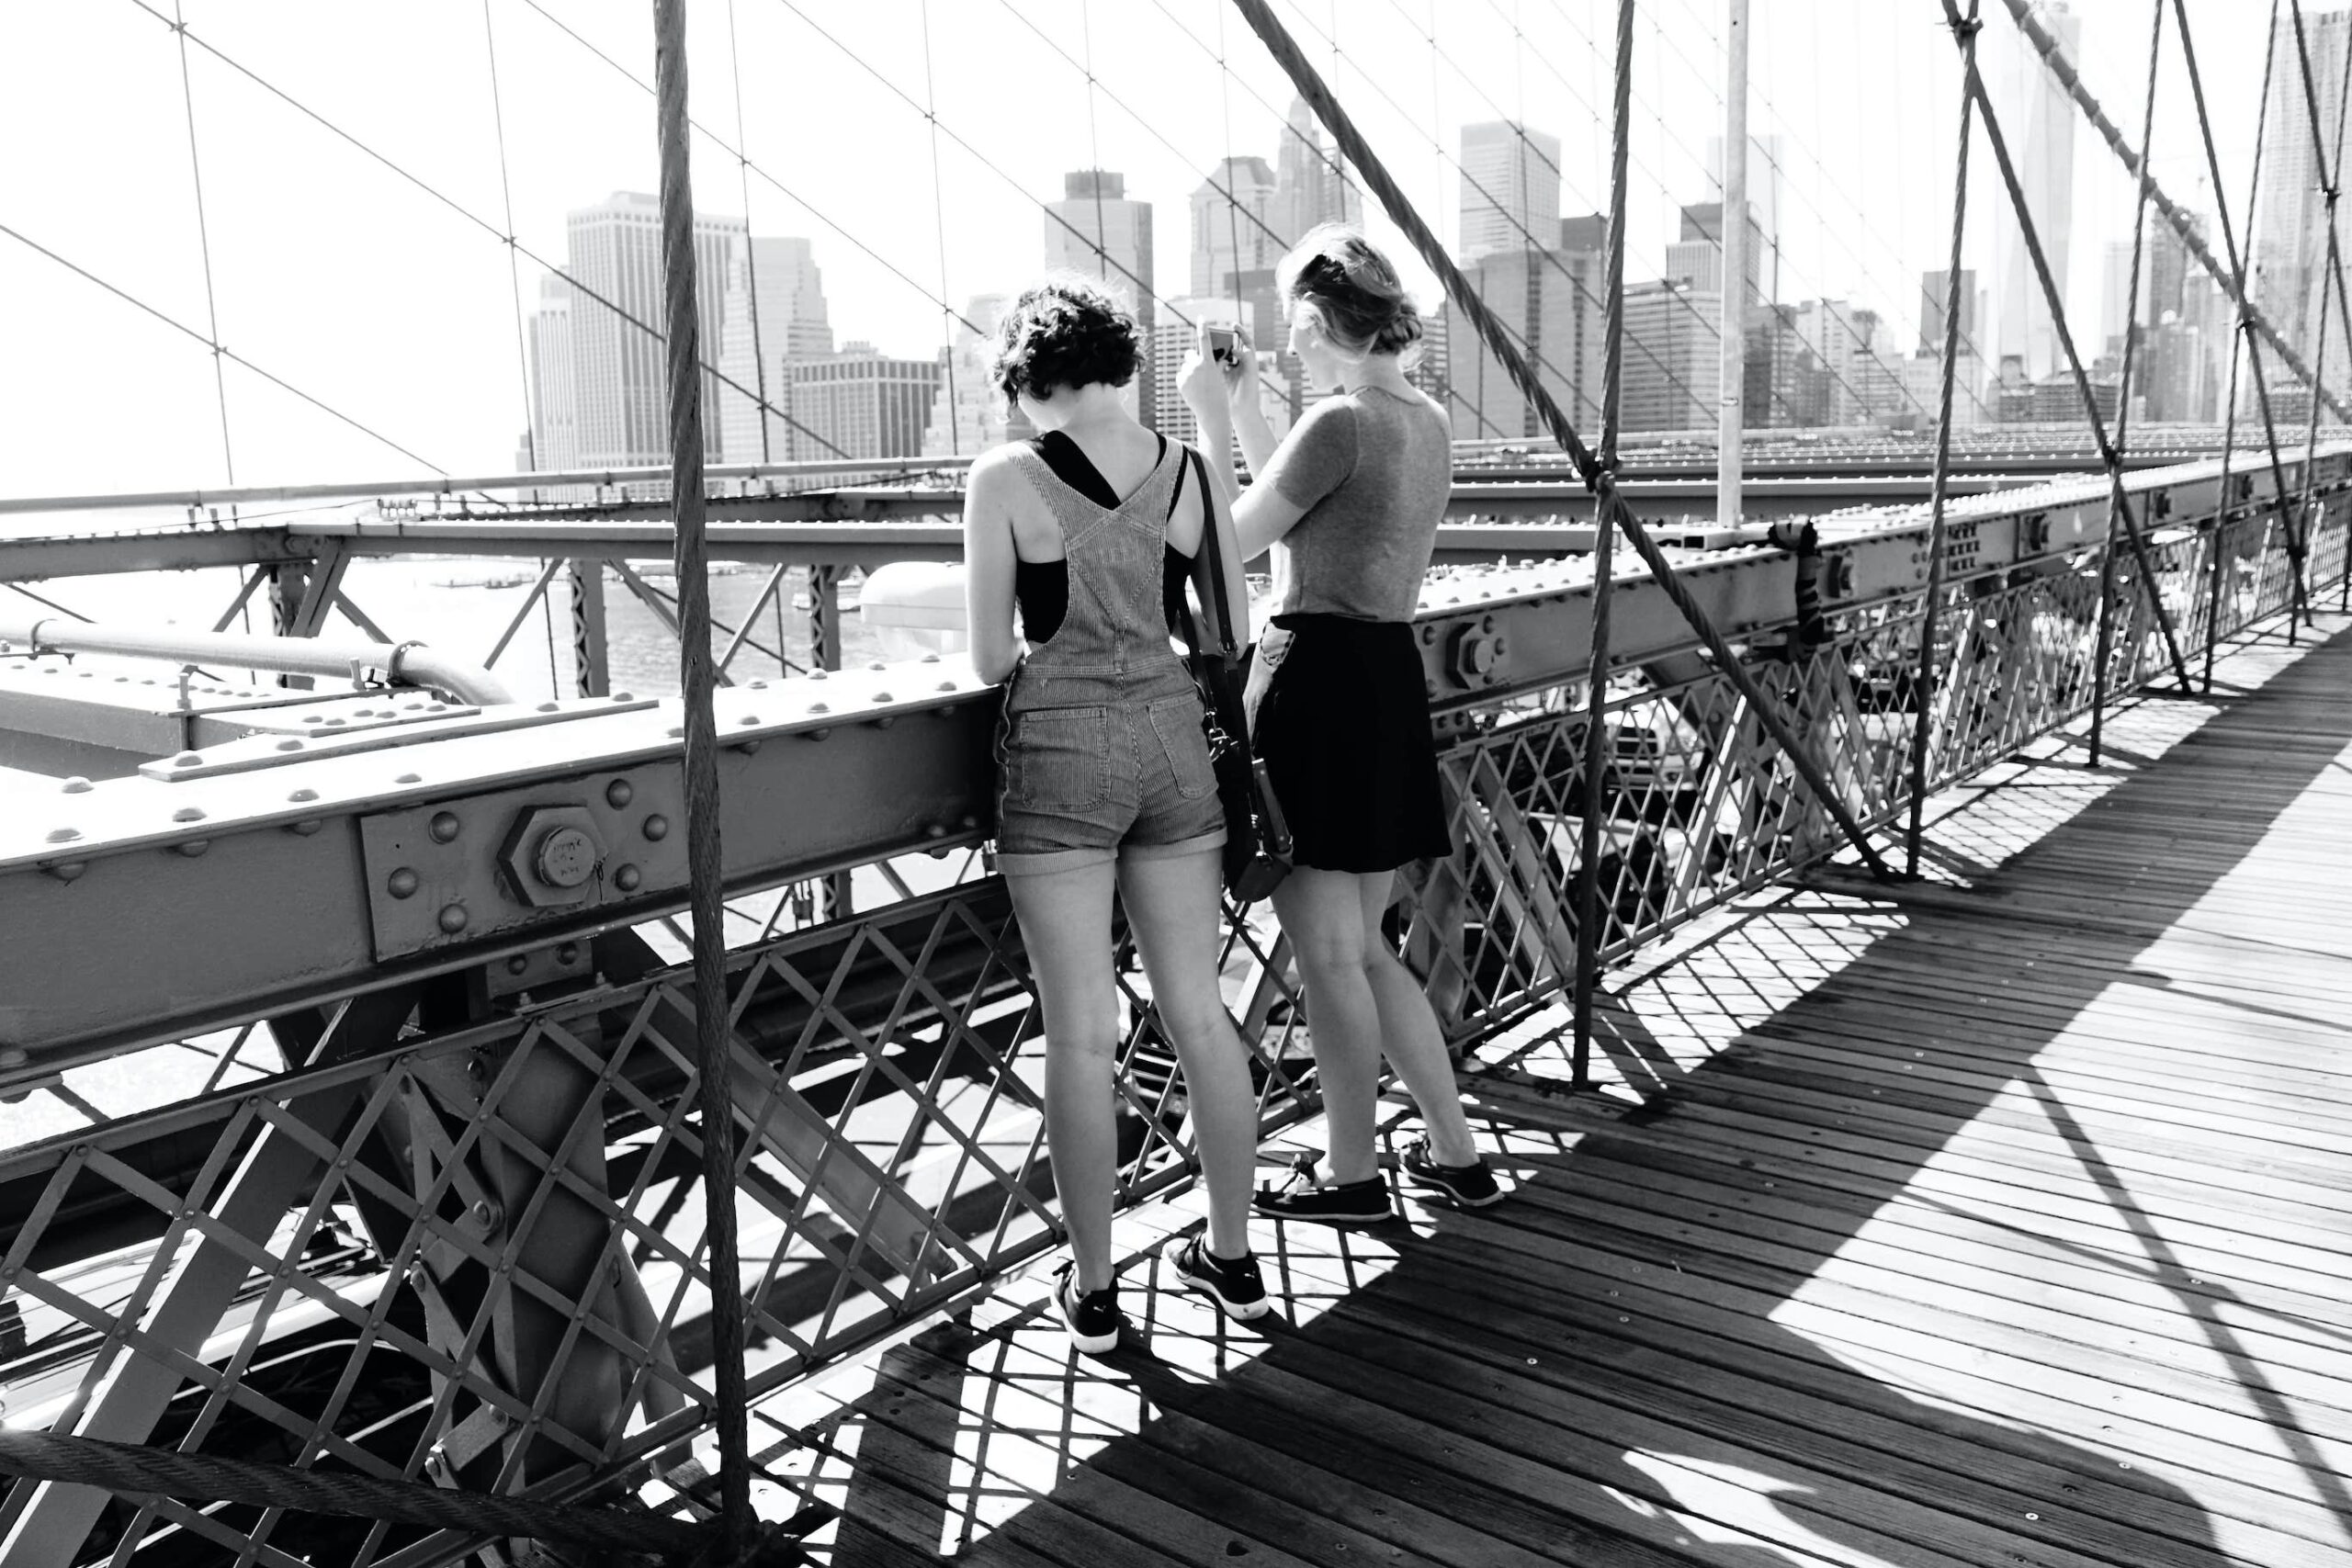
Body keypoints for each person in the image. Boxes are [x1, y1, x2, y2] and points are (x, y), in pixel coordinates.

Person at [963, 276, 1272, 1355]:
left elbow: (990, 656)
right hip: (1176, 750)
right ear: (1123, 367)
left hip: (1061, 760)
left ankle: (1094, 1293)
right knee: (1197, 1012)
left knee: (1080, 1036)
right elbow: (1228, 622)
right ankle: (1231, 1261)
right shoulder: (1187, 468)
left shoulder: (1006, 476)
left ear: (1026, 383)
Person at [1179, 226, 1502, 1224]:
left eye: (1293, 323)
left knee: (1326, 954)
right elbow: (1311, 516)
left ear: (1321, 318)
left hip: (1314, 680)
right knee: (1362, 946)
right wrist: (1237, 415)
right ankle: (1454, 1154)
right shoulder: (1421, 419)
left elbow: (1223, 547)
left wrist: (1199, 418)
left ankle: (1352, 1180)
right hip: (1384, 680)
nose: (1284, 343)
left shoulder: (1337, 422)